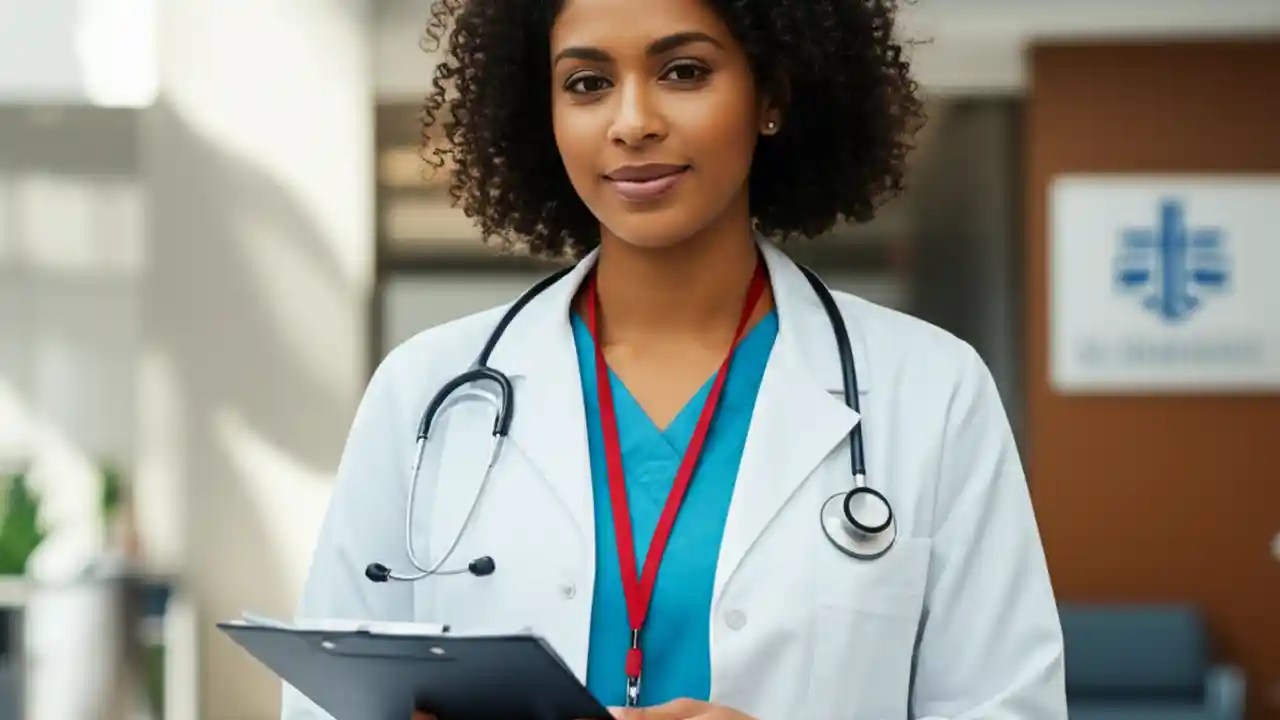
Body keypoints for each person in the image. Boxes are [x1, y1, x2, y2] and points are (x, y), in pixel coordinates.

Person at [283, 0, 1067, 717]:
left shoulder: (929, 389)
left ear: (772, 96)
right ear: (544, 114)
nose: (631, 121)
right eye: (587, 83)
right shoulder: (427, 390)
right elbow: (328, 701)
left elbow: (1008, 704)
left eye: (683, 71)